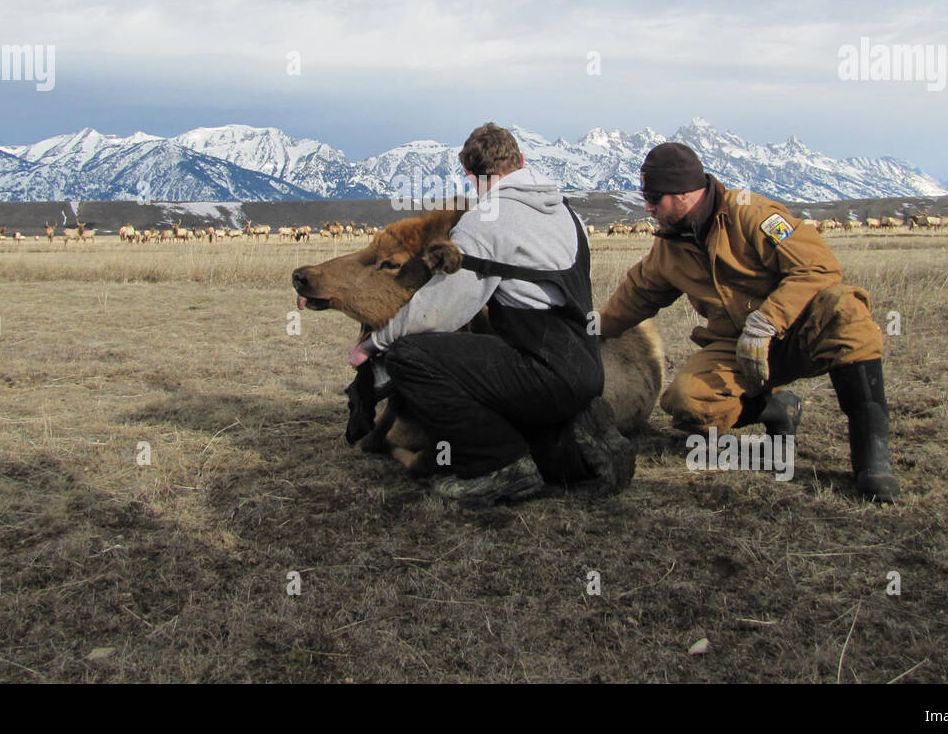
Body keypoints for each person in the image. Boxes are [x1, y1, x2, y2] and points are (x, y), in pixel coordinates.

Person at [597, 142, 900, 502]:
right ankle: (778, 408)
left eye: (654, 198)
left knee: (846, 311)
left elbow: (819, 268)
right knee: (686, 402)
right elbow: (632, 299)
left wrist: (767, 321)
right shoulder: (669, 249)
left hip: (799, 329)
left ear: (682, 194)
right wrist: (586, 328)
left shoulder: (753, 216)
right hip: (737, 345)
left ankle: (872, 459)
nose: (648, 207)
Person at [349, 123, 634, 505]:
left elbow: (439, 312)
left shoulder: (485, 221)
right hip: (584, 365)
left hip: (539, 366)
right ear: (522, 160)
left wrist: (375, 343)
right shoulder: (568, 214)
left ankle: (498, 466)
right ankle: (576, 450)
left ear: (470, 175)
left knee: (411, 358)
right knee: (510, 401)